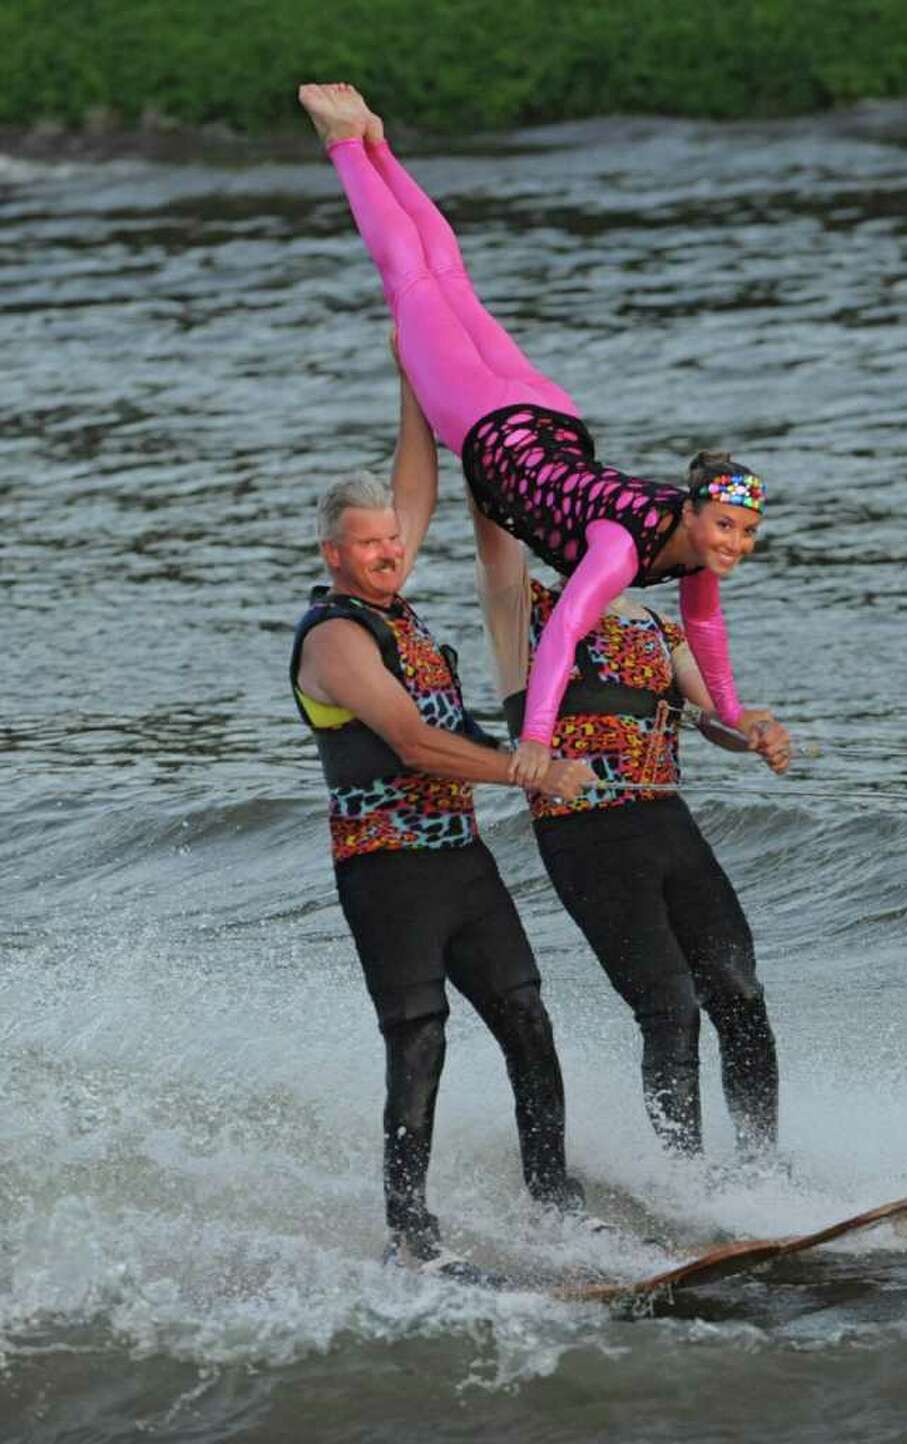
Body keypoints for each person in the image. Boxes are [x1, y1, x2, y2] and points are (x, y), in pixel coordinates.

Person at [296, 83, 791, 796]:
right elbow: (558, 633)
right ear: (690, 511)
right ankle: (347, 144)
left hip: (545, 415)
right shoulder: (621, 550)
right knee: (411, 279)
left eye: (745, 533)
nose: (734, 544)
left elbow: (709, 640)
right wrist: (533, 742)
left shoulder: (688, 554)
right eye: (725, 526)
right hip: (490, 426)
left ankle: (377, 141)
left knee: (445, 277)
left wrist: (738, 715)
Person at [291, 358, 596, 1275]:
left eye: (396, 539)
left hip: (460, 862)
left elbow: (414, 475)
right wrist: (527, 770)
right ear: (335, 554)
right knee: (420, 1040)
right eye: (373, 545)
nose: (393, 552)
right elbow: (417, 744)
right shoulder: (337, 639)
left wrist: (415, 361)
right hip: (388, 876)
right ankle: (409, 1233)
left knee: (527, 1020)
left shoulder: (393, 588)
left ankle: (555, 1202)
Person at [471, 488, 789, 1161]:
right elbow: (494, 533)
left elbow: (714, 719)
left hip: (667, 823)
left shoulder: (655, 623)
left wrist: (756, 731)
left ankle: (763, 1169)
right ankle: (686, 1178)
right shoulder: (522, 608)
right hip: (584, 834)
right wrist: (484, 447)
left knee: (739, 994)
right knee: (670, 1009)